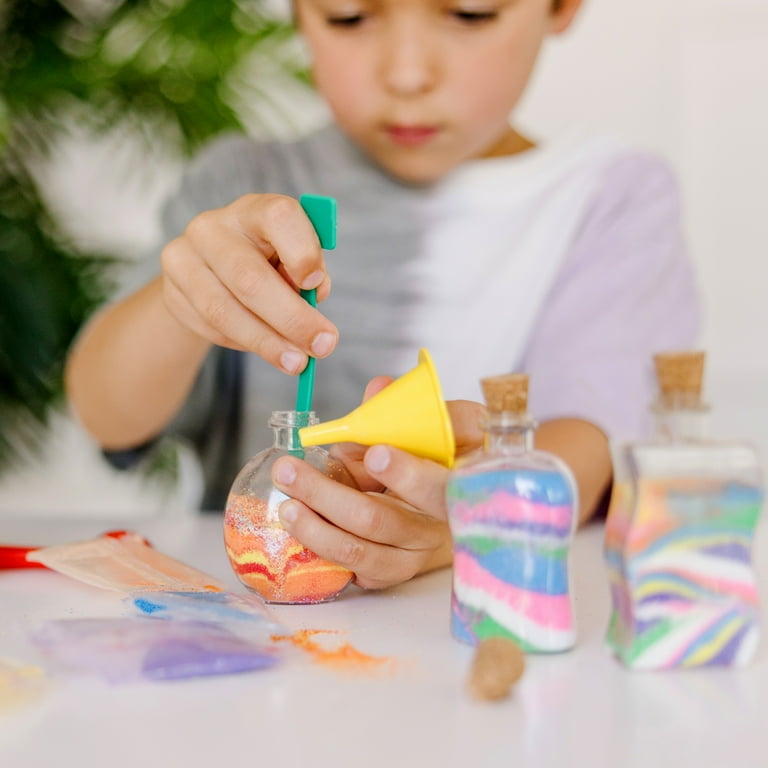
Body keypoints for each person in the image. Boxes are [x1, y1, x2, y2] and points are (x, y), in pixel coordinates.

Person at [64, 0, 699, 591]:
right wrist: (182, 305)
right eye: (349, 16)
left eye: (469, 13)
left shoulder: (609, 200)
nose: (407, 74)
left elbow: (588, 442)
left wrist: (477, 518)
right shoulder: (242, 185)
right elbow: (105, 411)